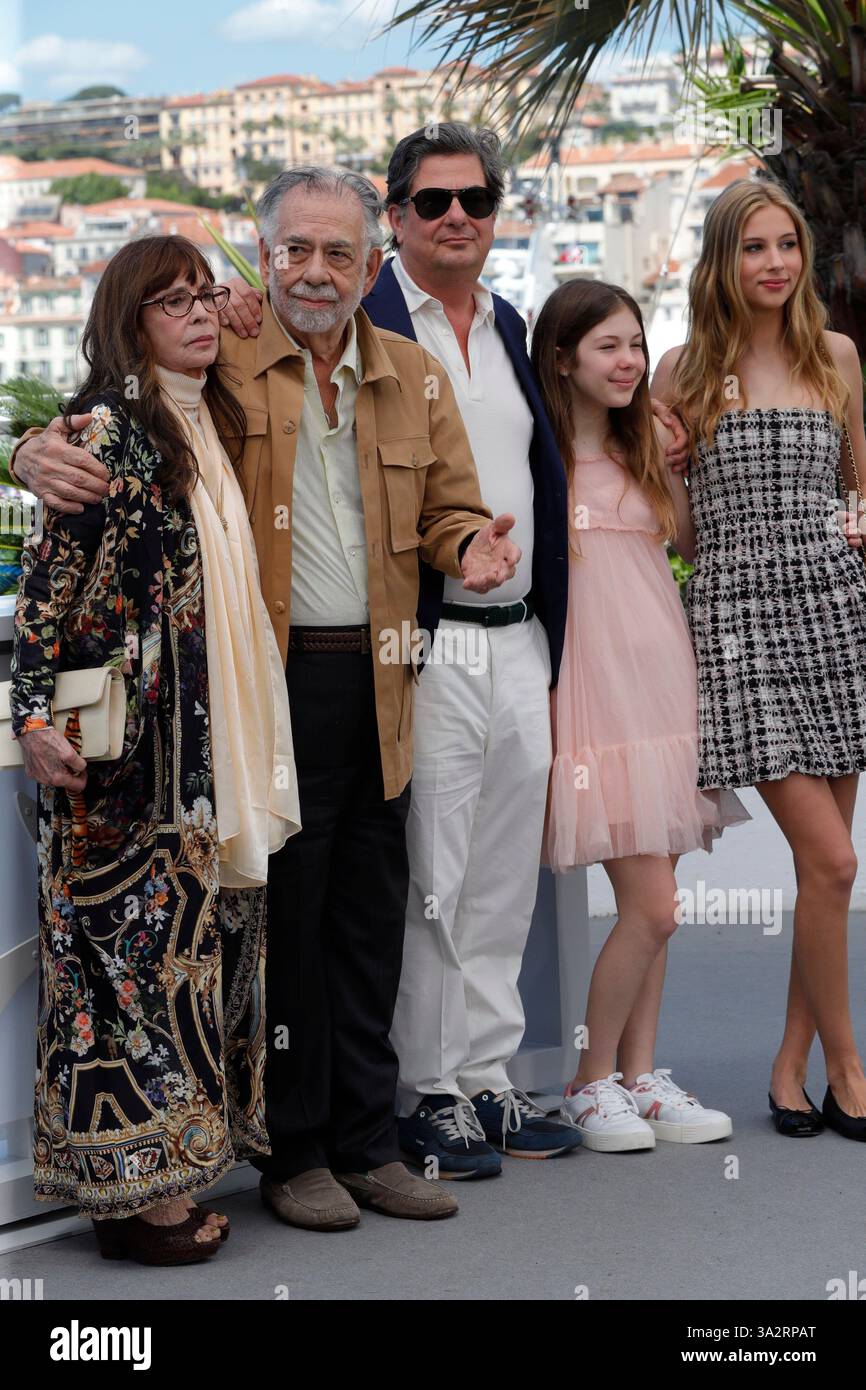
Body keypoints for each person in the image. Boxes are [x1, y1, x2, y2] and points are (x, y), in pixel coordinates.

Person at [13, 167, 518, 1228]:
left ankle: (369, 1143)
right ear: (267, 259)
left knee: (369, 915)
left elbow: (450, 510)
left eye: (339, 253)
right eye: (295, 251)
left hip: (381, 676)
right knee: (278, 925)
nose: (317, 271)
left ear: (372, 267)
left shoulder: (417, 377)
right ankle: (293, 1158)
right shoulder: (227, 346)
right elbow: (106, 405)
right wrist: (30, 452)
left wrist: (465, 544)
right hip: (259, 685)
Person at [221, 126, 691, 1179]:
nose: (455, 219)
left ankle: (484, 1076)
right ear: (392, 218)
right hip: (417, 645)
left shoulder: (512, 322)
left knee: (494, 881)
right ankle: (421, 1088)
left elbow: (560, 446)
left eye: (474, 200)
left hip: (519, 636)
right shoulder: (362, 313)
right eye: (431, 202)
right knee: (425, 878)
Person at [8, 234, 300, 1264]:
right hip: (120, 766)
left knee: (183, 964)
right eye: (168, 302)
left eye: (199, 299)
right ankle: (134, 1204)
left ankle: (161, 1183)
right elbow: (45, 588)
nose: (192, 316)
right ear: (128, 322)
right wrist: (32, 717)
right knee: (118, 977)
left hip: (198, 757)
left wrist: (243, 301)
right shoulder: (104, 432)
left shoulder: (208, 422)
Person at [652, 176, 866, 1140]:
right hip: (739, 621)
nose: (774, 263)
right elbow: (685, 535)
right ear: (721, 260)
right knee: (834, 858)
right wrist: (664, 475)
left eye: (787, 245)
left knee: (823, 878)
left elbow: (858, 490)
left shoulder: (838, 358)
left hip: (835, 613)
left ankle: (790, 1066)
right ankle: (851, 1069)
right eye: (753, 247)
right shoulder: (683, 373)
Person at [532, 279, 749, 1151]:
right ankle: (588, 1083)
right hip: (590, 692)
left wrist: (683, 460)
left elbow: (690, 546)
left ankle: (640, 1075)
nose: (627, 362)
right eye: (606, 347)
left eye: (635, 344)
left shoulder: (647, 449)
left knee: (666, 899)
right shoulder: (537, 454)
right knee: (650, 906)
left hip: (661, 679)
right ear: (563, 358)